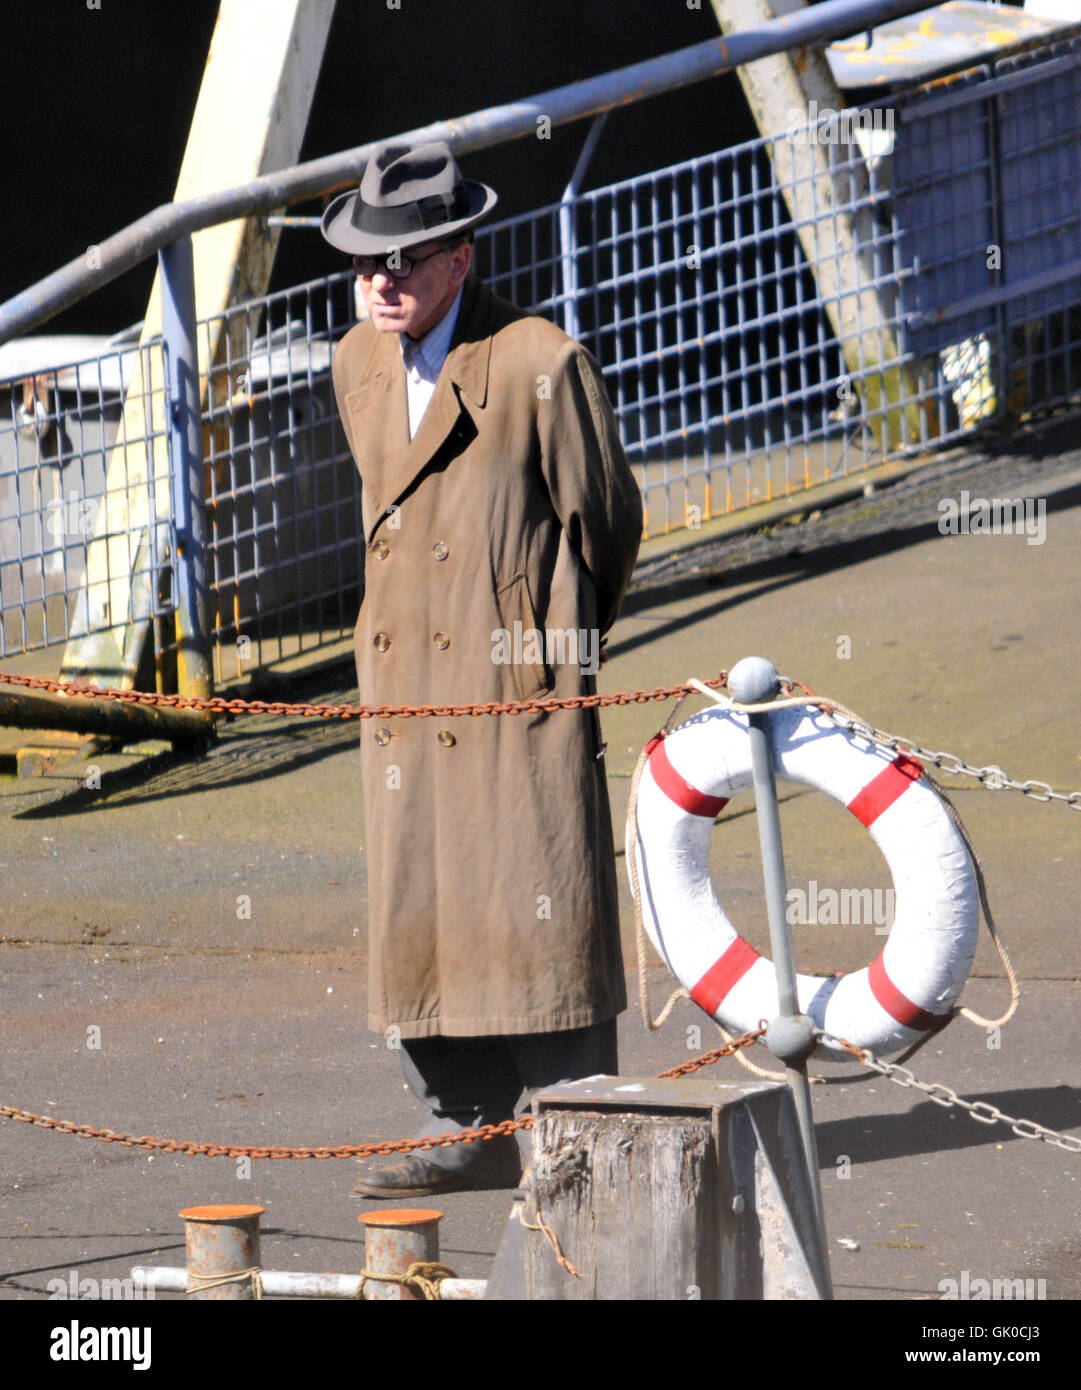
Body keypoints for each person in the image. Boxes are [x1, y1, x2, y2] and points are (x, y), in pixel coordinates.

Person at [322, 140, 644, 1197]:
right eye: (369, 258)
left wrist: (543, 635)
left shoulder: (539, 364)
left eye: (407, 257)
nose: (383, 278)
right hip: (406, 683)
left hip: (514, 683)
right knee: (422, 903)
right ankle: (466, 1122)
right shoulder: (355, 364)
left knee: (535, 891)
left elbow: (607, 524)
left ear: (462, 256)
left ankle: (580, 1125)